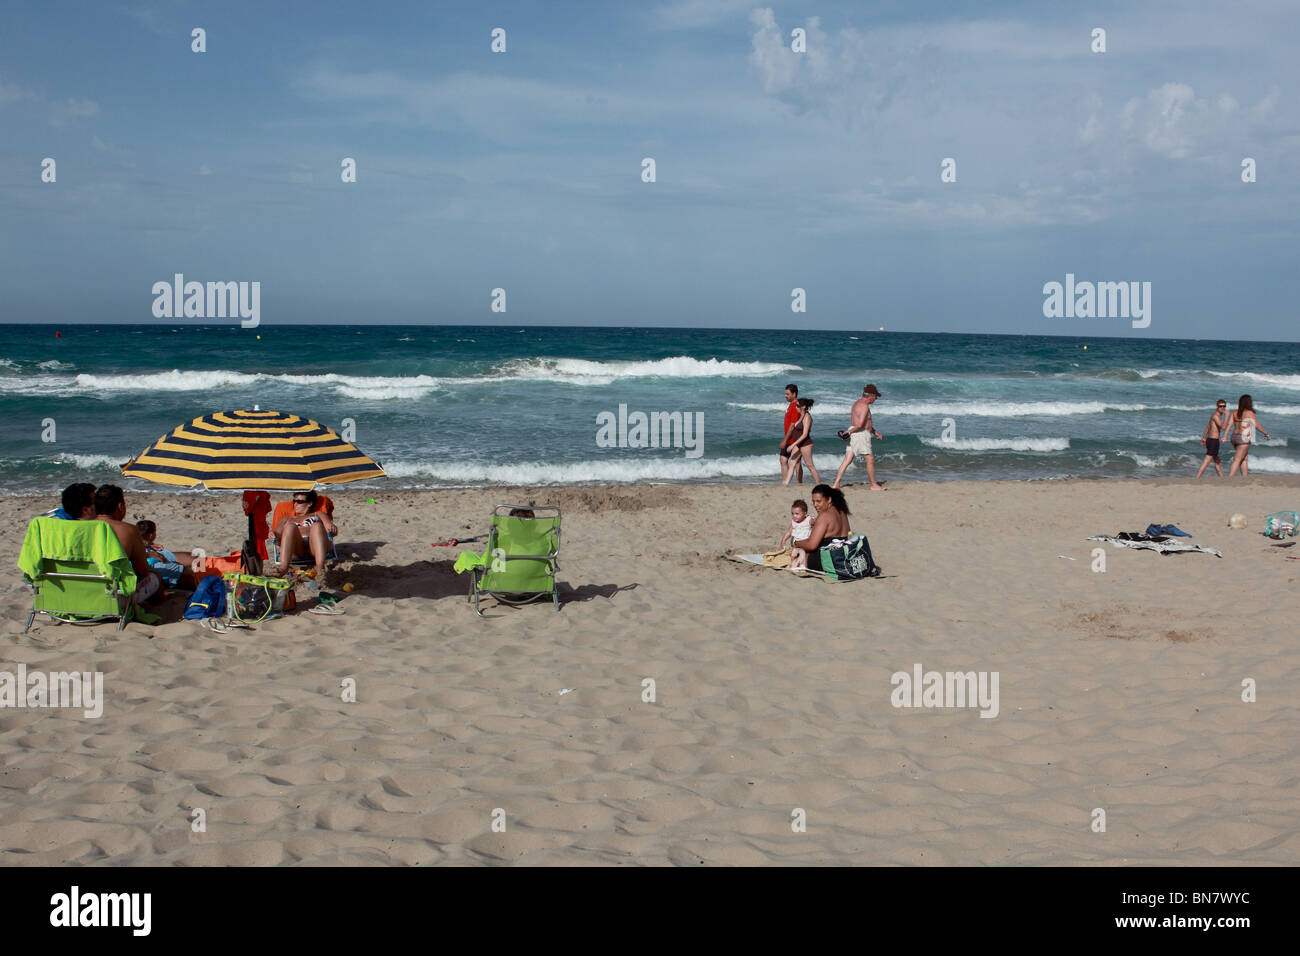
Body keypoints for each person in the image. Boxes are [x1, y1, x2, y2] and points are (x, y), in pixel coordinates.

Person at [92, 484, 161, 604]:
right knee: (155, 576)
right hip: (113, 599)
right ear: (120, 506)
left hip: (83, 594)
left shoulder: (81, 528)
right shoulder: (128, 530)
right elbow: (143, 570)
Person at [272, 489, 338, 580]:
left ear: (309, 503)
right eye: (294, 501)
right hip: (297, 549)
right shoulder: (287, 518)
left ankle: (320, 569)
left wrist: (331, 528)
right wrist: (272, 534)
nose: (295, 504)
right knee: (290, 527)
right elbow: (276, 532)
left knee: (317, 525)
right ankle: (283, 568)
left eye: (299, 501)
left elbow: (329, 526)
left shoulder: (318, 514)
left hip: (316, 547)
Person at [791, 484, 852, 574]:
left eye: (818, 501)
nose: (815, 505)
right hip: (842, 555)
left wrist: (796, 542)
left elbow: (812, 545)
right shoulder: (842, 511)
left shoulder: (824, 515)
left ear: (829, 500)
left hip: (828, 560)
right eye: (813, 502)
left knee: (797, 553)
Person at [833, 384, 885, 490]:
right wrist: (850, 431)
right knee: (869, 459)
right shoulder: (865, 406)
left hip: (855, 432)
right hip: (860, 433)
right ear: (871, 395)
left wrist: (875, 432)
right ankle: (874, 485)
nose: (876, 399)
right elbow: (861, 425)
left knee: (847, 459)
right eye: (875, 397)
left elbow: (865, 422)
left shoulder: (856, 403)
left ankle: (836, 483)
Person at [136, 519, 199, 588]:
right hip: (152, 564)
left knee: (193, 559)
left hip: (150, 558)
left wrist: (149, 545)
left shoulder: (133, 542)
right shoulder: (139, 547)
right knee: (190, 573)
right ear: (151, 535)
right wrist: (148, 554)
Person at [1224, 394, 1271, 478]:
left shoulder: (1235, 412)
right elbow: (1256, 425)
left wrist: (1225, 436)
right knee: (1237, 460)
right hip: (1243, 439)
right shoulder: (1249, 413)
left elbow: (1229, 425)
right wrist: (1266, 433)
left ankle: (1244, 478)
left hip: (1234, 437)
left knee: (1244, 459)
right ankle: (1229, 478)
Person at [782, 398, 821, 485]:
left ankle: (819, 484)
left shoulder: (807, 417)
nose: (796, 407)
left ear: (803, 407)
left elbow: (805, 434)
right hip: (798, 444)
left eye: (798, 405)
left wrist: (793, 445)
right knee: (792, 463)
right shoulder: (800, 416)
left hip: (805, 444)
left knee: (810, 465)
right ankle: (786, 483)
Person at [1195, 399, 1229, 478]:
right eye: (1220, 406)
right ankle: (1197, 478)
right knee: (1207, 461)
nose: (1222, 408)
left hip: (1212, 440)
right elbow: (1223, 427)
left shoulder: (1216, 415)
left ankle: (1221, 477)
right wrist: (1227, 416)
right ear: (1217, 407)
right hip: (1213, 441)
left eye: (1224, 406)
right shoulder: (1216, 416)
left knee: (1217, 460)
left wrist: (1204, 438)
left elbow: (1208, 427)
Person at [779, 384, 804, 483]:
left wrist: (784, 440)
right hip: (788, 439)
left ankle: (799, 483)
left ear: (794, 394)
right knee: (783, 460)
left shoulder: (796, 406)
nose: (785, 396)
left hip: (795, 440)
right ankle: (785, 482)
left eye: (787, 394)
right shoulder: (791, 405)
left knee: (797, 462)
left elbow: (792, 425)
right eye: (785, 394)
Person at [779, 498, 813, 570]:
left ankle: (803, 566)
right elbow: (789, 532)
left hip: (805, 544)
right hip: (795, 545)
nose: (794, 516)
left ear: (805, 514)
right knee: (793, 555)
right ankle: (793, 563)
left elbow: (817, 523)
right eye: (792, 513)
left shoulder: (808, 520)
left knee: (804, 555)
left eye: (797, 514)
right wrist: (783, 540)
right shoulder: (794, 522)